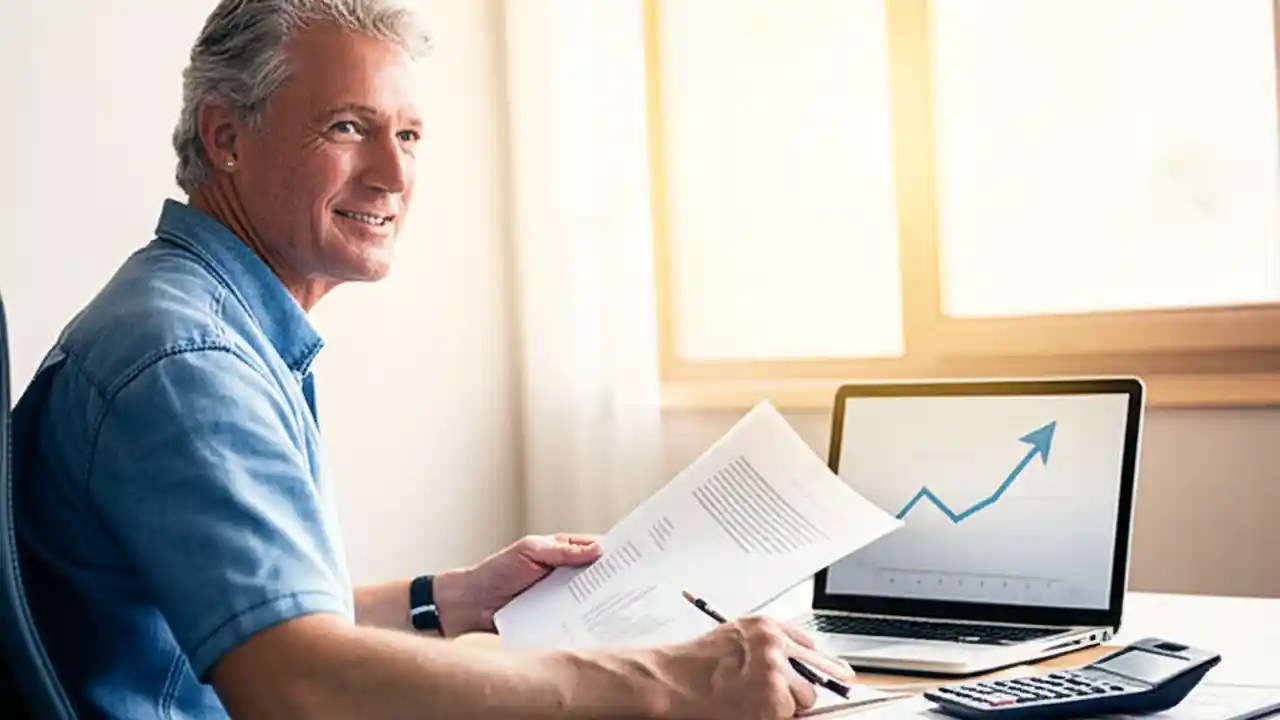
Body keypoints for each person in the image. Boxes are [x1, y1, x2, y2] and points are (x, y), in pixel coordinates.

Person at [11, 1, 852, 717]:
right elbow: (296, 682)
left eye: (409, 134)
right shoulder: (188, 359)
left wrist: (448, 601)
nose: (392, 174)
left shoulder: (201, 318)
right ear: (226, 135)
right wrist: (668, 678)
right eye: (349, 127)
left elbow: (260, 622)